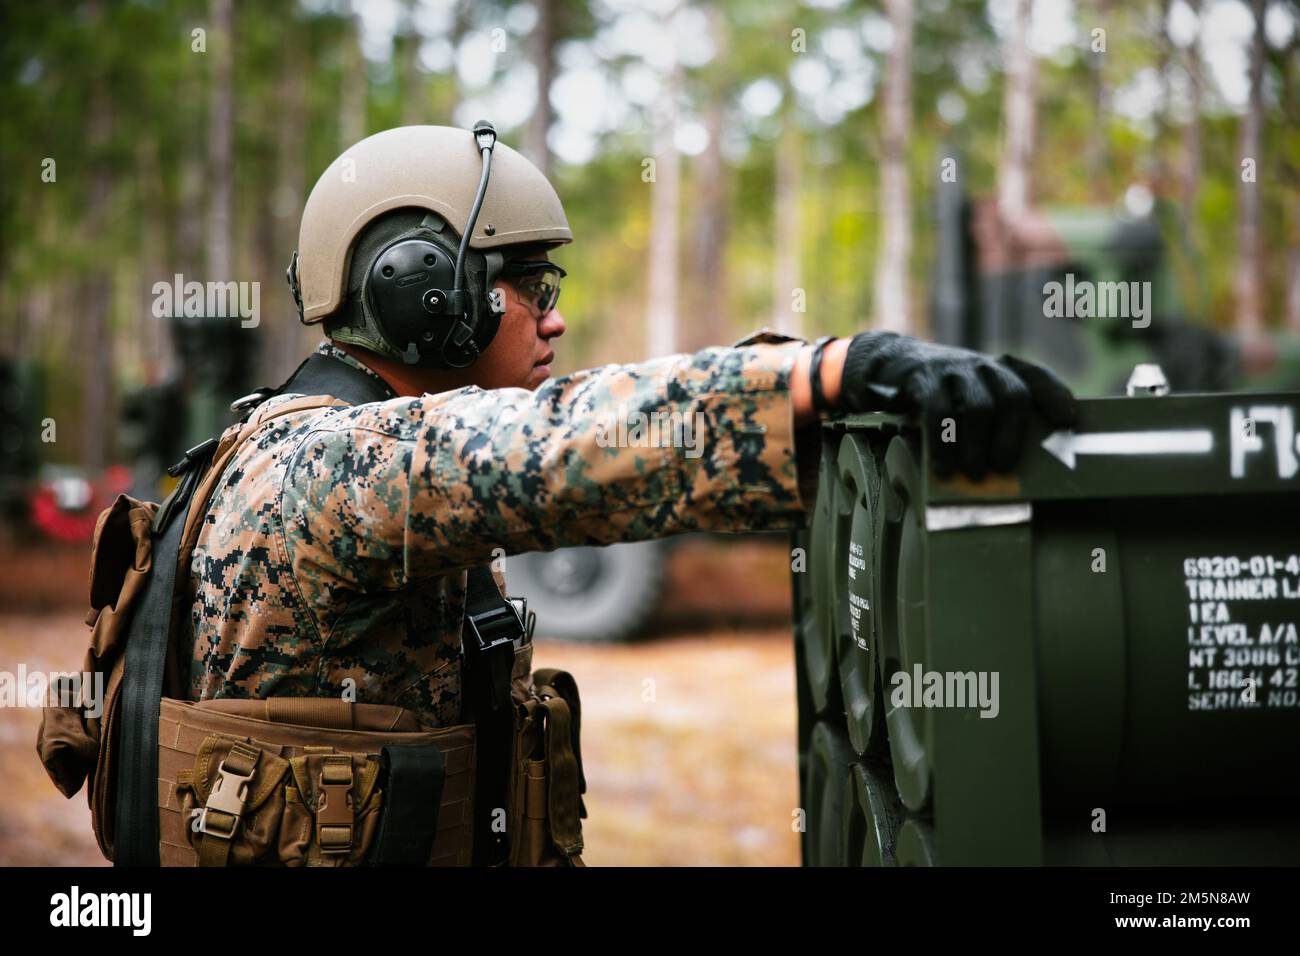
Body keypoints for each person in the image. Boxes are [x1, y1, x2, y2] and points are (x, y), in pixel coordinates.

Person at [176, 122, 1075, 864]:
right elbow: (556, 448)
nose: (554, 314)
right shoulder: (321, 466)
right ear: (421, 295)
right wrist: (835, 371)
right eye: (529, 285)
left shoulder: (307, 437)